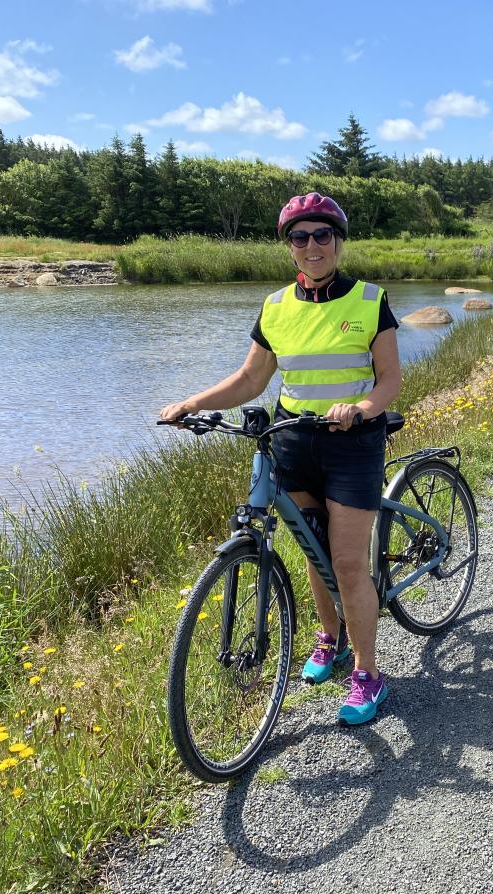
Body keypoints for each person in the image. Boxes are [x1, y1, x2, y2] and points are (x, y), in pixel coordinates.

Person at [159, 192, 401, 726]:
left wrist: (361, 409)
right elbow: (251, 379)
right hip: (293, 439)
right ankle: (329, 638)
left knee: (347, 561)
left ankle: (367, 673)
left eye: (322, 235)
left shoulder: (368, 299)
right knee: (313, 549)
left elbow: (390, 382)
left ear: (337, 242)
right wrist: (192, 403)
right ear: (289, 248)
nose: (311, 246)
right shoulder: (275, 306)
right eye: (300, 237)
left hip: (352, 442)